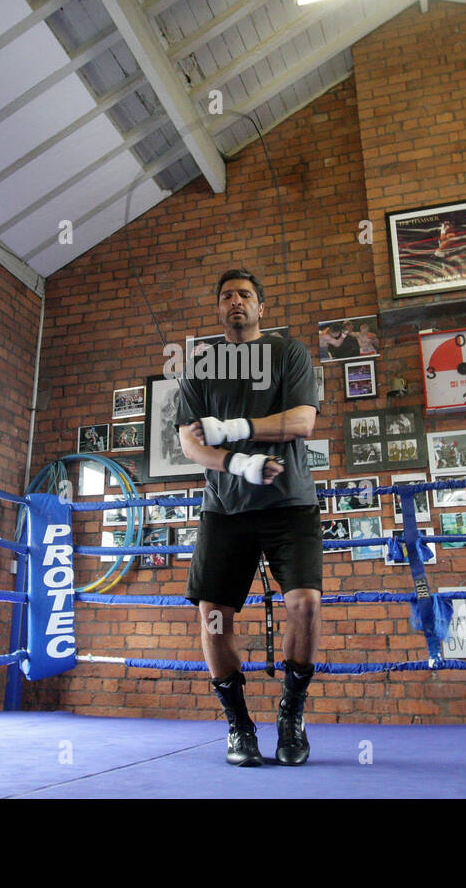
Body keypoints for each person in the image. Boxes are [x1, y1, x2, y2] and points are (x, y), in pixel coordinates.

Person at [178, 269, 321, 767]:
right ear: (219, 310)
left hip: (290, 503)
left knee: (304, 605)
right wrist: (237, 461)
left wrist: (236, 427)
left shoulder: (288, 353)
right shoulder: (199, 368)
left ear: (261, 307)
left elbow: (303, 421)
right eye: (226, 296)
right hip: (226, 508)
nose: (235, 301)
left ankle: (292, 712)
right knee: (213, 615)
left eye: (244, 295)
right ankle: (239, 724)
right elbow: (189, 442)